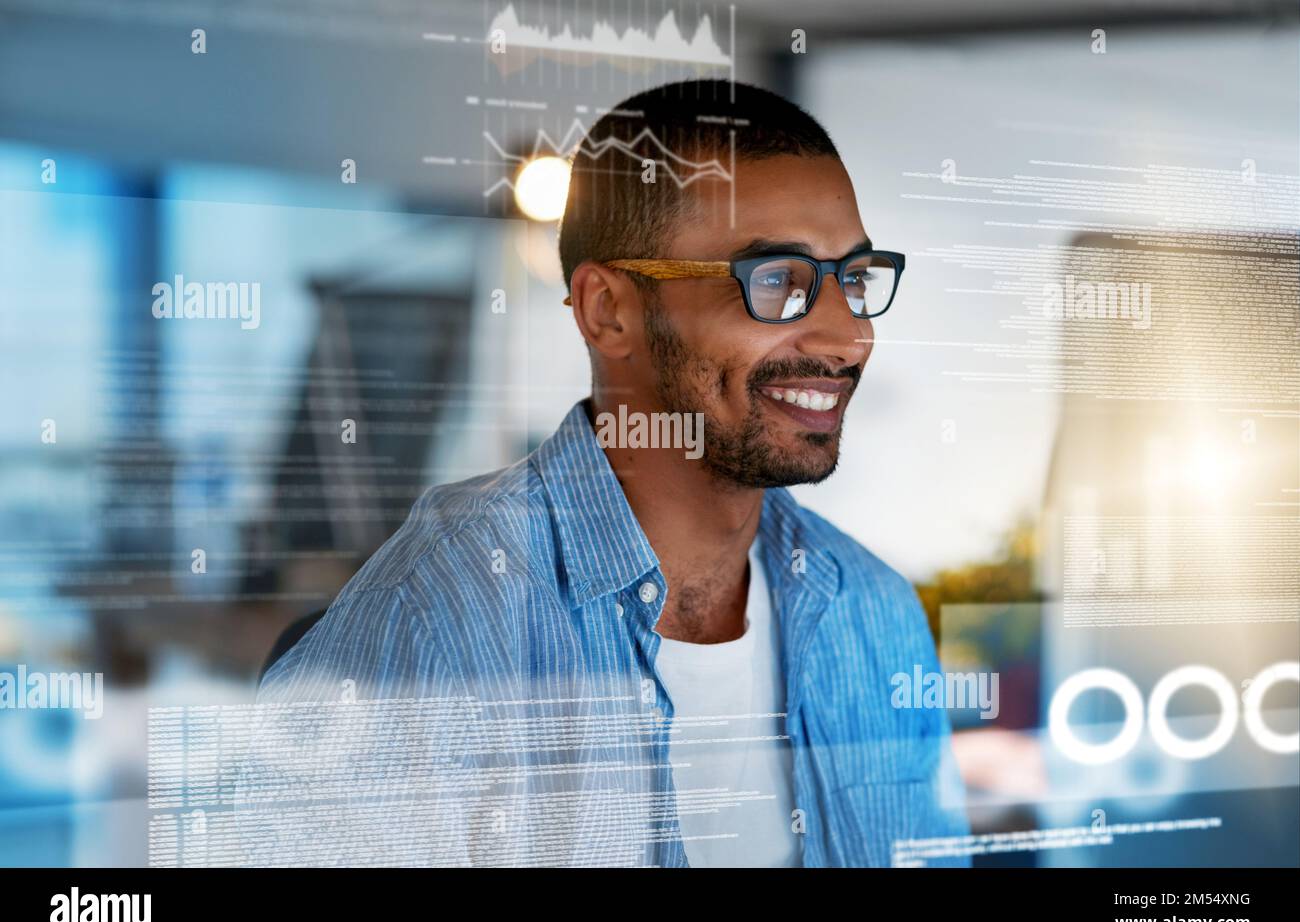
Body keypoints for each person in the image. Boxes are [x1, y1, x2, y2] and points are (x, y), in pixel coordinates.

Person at [253, 80, 971, 868]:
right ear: (608, 310)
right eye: (777, 281)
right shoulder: (443, 614)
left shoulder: (872, 614)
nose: (848, 336)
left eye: (856, 279)